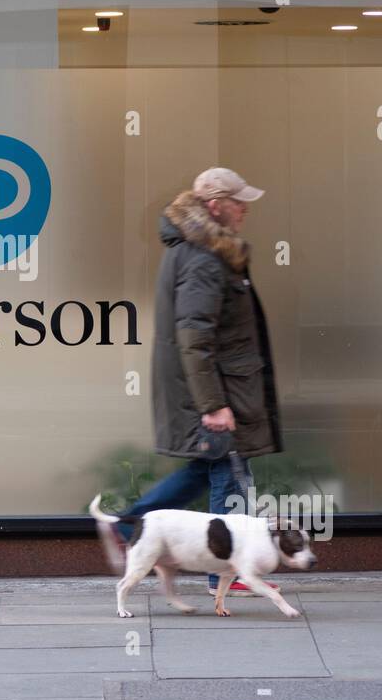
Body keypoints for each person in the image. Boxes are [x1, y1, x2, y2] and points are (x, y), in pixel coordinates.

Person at [108, 167, 283, 597]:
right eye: (238, 201)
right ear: (214, 205)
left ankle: (131, 521)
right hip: (215, 389)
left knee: (206, 468)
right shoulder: (205, 258)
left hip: (217, 384)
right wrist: (212, 404)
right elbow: (194, 335)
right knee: (229, 469)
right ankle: (223, 572)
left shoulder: (209, 251)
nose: (244, 209)